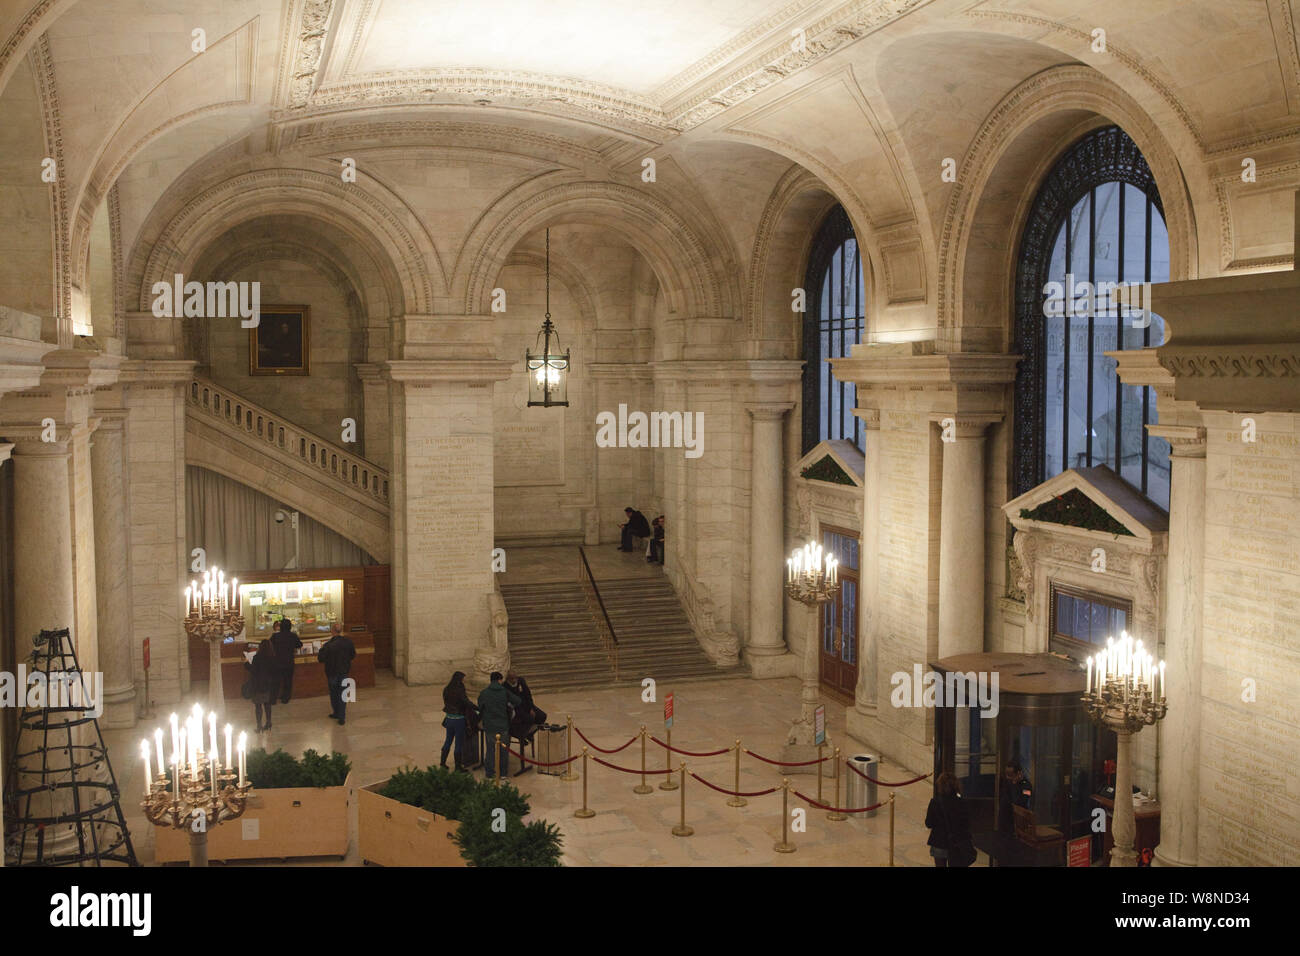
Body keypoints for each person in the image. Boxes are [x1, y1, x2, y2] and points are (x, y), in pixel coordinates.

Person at [476, 671, 521, 778]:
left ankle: (490, 773)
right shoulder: (504, 691)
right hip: (503, 725)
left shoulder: (484, 692)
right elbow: (518, 701)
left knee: (490, 750)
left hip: (490, 726)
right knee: (504, 751)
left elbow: (480, 706)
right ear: (500, 680)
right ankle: (503, 773)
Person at [925, 771, 973, 867]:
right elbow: (966, 824)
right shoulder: (962, 803)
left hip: (939, 842)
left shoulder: (935, 802)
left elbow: (929, 823)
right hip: (957, 842)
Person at [317, 622, 356, 725]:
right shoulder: (348, 642)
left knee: (334, 693)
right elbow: (353, 655)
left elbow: (320, 658)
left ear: (332, 631)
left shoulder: (328, 645)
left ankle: (336, 713)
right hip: (344, 671)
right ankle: (342, 716)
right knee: (343, 693)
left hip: (332, 672)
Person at [440, 671, 476, 772]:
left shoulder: (447, 689)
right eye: (463, 679)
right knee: (458, 743)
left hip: (449, 718)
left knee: (448, 740)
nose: (464, 681)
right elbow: (466, 702)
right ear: (459, 680)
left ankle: (442, 763)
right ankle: (458, 767)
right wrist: (476, 708)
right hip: (459, 719)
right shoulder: (459, 690)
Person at [245, 639, 279, 732]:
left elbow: (253, 670)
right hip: (268, 685)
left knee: (258, 706)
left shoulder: (257, 657)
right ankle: (268, 722)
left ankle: (259, 725)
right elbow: (275, 671)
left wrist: (246, 663)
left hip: (258, 685)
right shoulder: (273, 657)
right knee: (267, 705)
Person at [269, 619, 303, 704]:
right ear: (290, 627)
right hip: (289, 662)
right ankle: (285, 698)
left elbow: (269, 645)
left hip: (277, 662)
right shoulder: (293, 636)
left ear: (280, 627)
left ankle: (273, 699)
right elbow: (299, 644)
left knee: (276, 681)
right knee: (287, 681)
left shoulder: (275, 636)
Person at [505, 670, 546, 741]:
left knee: (542, 716)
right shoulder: (505, 686)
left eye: (515, 678)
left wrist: (531, 708)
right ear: (508, 679)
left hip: (527, 705)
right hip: (517, 708)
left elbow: (528, 695)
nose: (514, 680)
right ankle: (522, 736)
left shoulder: (521, 681)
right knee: (530, 719)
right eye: (512, 678)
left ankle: (530, 734)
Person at [997, 759, 1034, 833]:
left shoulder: (1026, 786)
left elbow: (1021, 802)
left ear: (1019, 773)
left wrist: (1015, 785)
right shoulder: (1008, 782)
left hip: (1017, 819)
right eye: (1007, 774)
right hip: (1005, 818)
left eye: (1010, 775)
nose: (1008, 777)